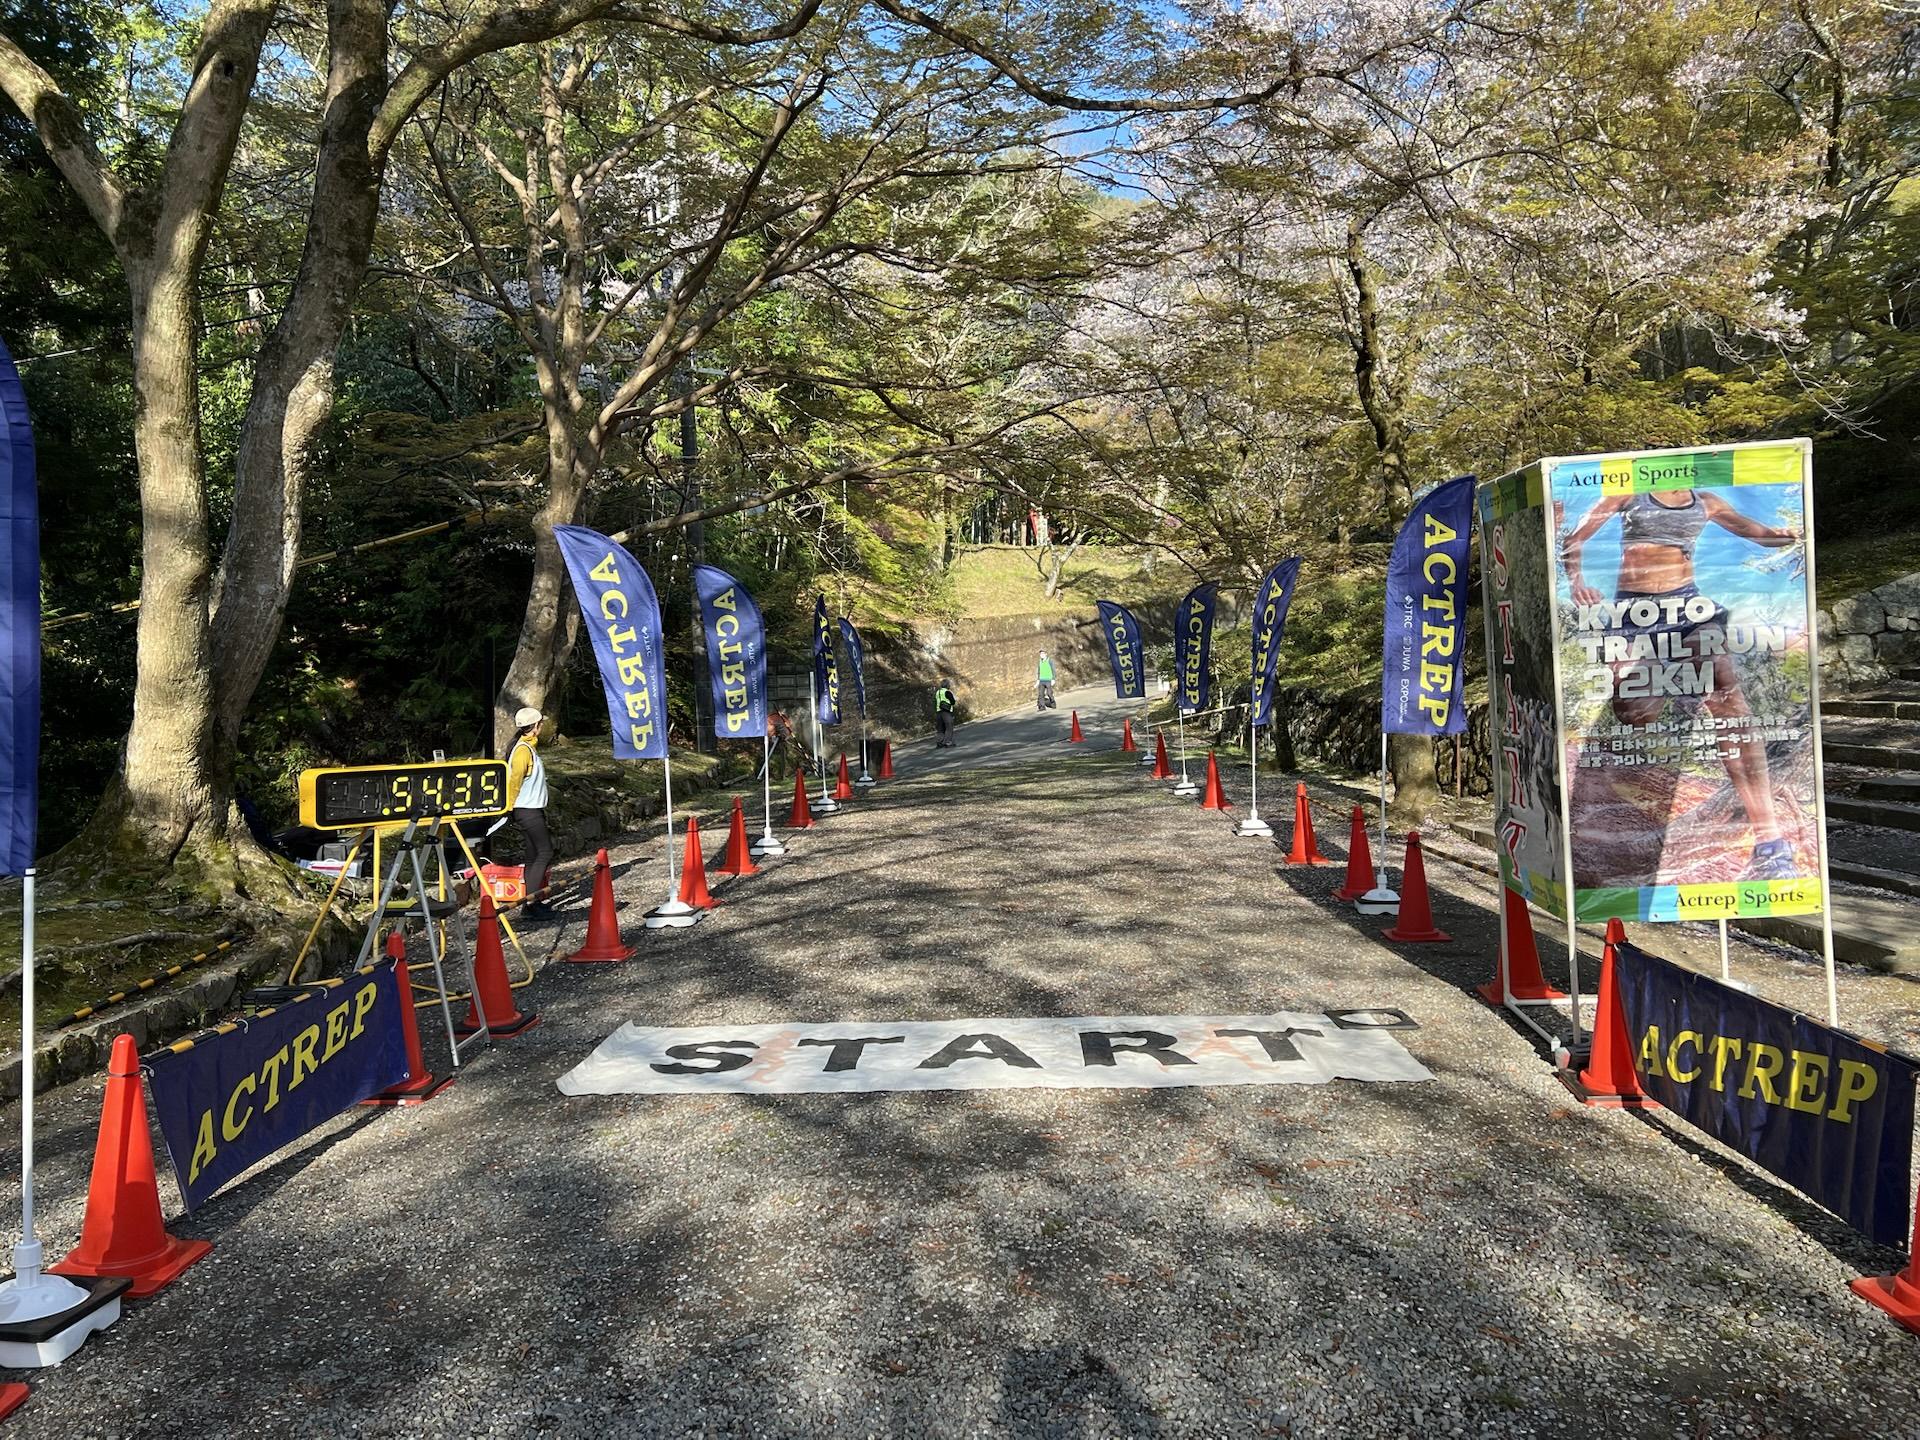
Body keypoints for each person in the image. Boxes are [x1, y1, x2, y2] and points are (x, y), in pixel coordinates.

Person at [1560, 487, 1800, 881]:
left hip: (1689, 608)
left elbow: (1757, 532)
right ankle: (1679, 679)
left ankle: (1770, 842)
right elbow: (1575, 538)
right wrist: (1577, 583)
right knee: (1635, 714)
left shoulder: (1706, 501)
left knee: (1728, 698)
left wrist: (1795, 532)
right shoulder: (1626, 494)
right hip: (1635, 613)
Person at [505, 706, 555, 917]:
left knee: (533, 855)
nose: (542, 727)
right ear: (535, 727)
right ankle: (531, 904)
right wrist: (508, 807)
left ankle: (531, 903)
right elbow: (514, 781)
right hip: (527, 809)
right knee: (545, 852)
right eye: (540, 724)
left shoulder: (527, 747)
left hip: (529, 808)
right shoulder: (523, 750)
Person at [934, 679, 958, 747]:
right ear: (947, 685)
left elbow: (935, 701)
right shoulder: (947, 692)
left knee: (940, 728)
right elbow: (953, 702)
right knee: (949, 727)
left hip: (938, 712)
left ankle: (939, 742)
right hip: (946, 712)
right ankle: (948, 742)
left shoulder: (937, 692)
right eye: (949, 684)